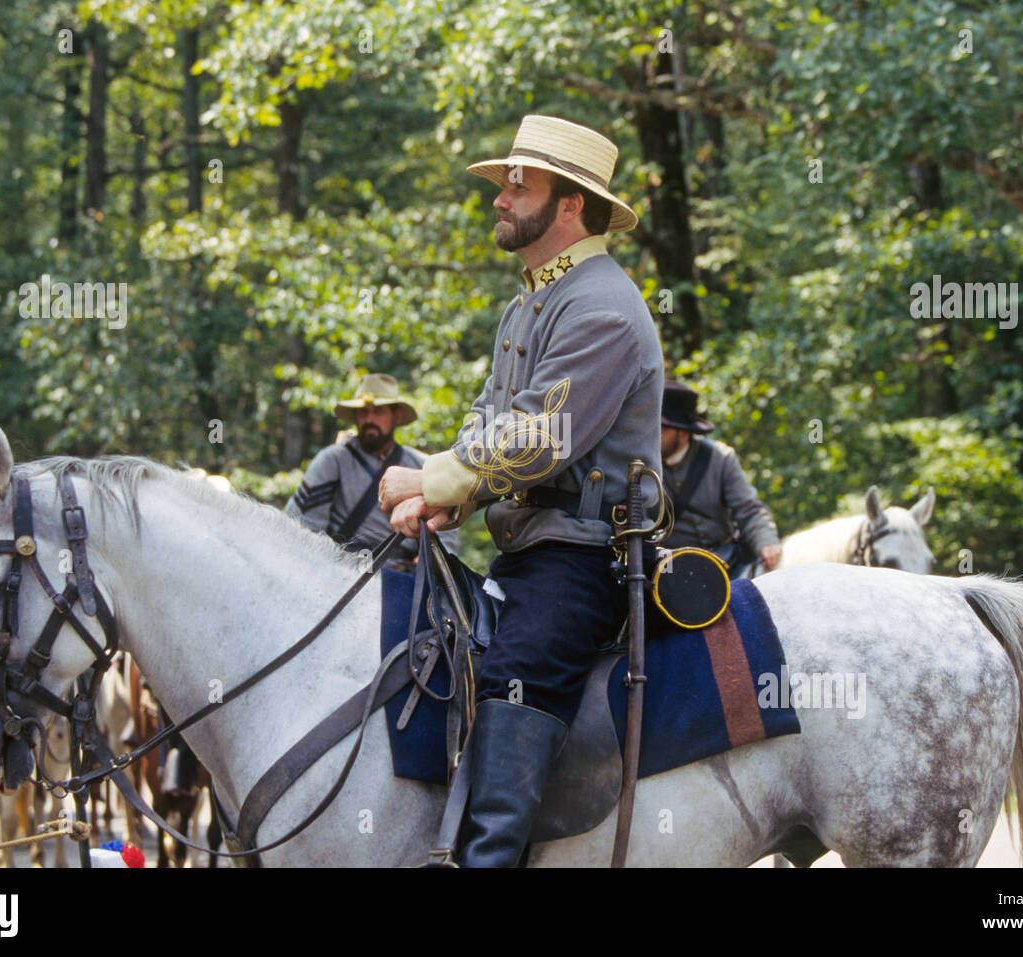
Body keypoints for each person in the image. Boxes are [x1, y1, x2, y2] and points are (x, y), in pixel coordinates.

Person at [378, 115, 663, 866]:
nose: (500, 199)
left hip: (582, 558)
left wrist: (428, 474)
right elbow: (488, 417)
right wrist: (452, 499)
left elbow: (538, 436)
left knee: (511, 678)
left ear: (569, 205)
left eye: (518, 184)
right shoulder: (532, 299)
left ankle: (486, 858)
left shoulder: (602, 305)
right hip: (528, 549)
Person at [285, 373, 455, 570]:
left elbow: (446, 533)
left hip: (406, 574)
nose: (369, 419)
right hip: (340, 570)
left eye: (378, 411)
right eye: (363, 412)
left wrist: (430, 563)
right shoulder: (333, 460)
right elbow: (301, 527)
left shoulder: (420, 465)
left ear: (396, 416)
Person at [660, 381, 782, 573]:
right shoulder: (643, 463)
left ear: (683, 433)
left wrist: (767, 543)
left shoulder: (720, 458)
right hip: (669, 567)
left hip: (724, 563)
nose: (653, 435)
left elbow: (748, 509)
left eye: (662, 429)